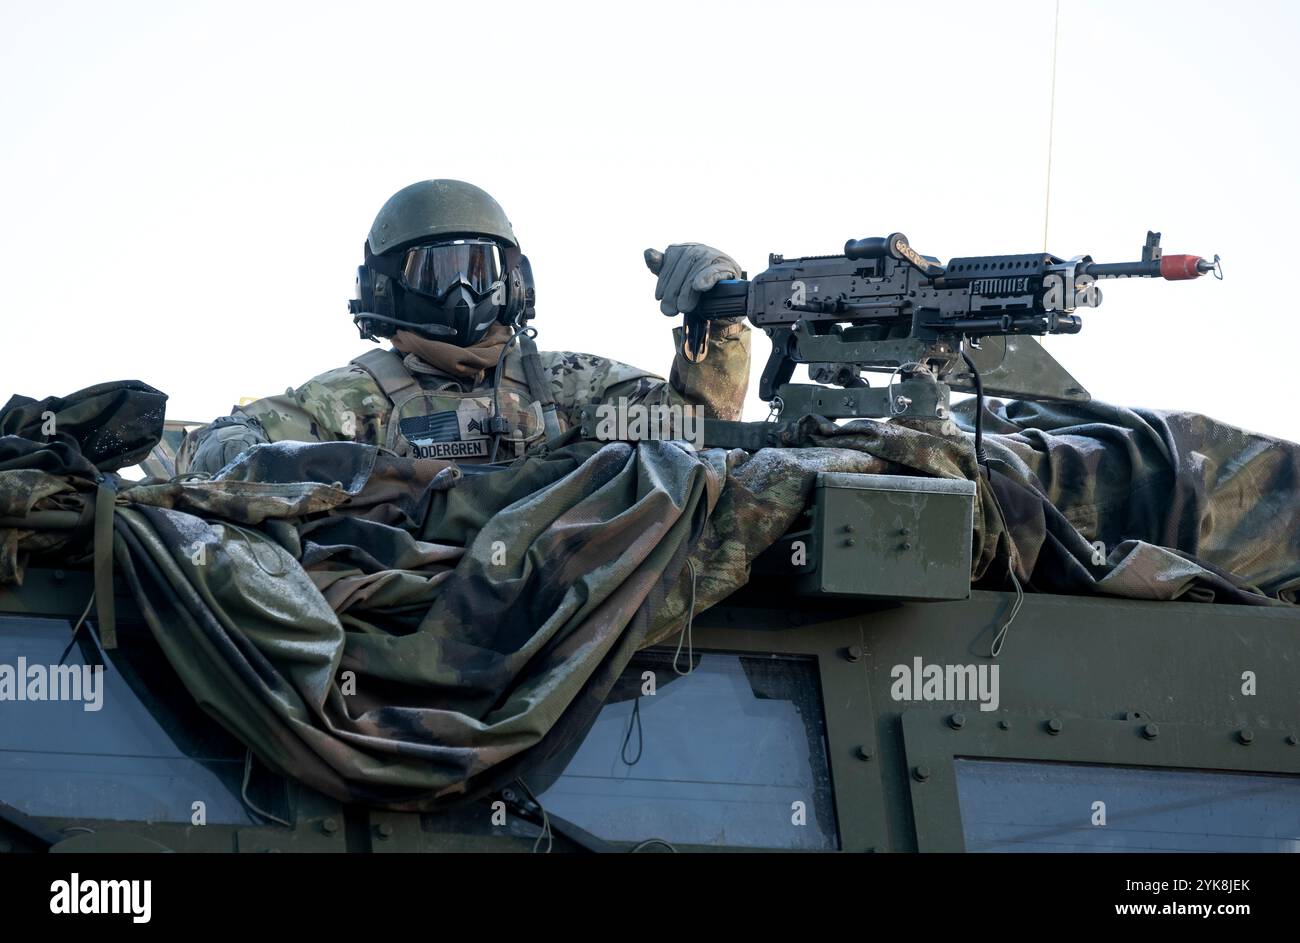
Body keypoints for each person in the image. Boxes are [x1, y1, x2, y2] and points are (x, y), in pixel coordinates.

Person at [176, 179, 750, 474]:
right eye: (436, 271)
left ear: (513, 280)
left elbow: (699, 430)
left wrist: (720, 324)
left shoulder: (571, 385)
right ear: (387, 286)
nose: (462, 290)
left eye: (480, 268)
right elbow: (214, 450)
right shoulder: (354, 400)